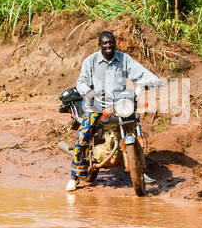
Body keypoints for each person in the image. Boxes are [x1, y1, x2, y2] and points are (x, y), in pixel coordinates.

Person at [67, 30, 162, 191]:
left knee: (135, 128)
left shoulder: (124, 59)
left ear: (115, 44)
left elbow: (141, 72)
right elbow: (81, 81)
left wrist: (156, 81)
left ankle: (139, 169)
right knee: (83, 134)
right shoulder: (90, 62)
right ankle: (74, 176)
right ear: (100, 45)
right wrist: (89, 93)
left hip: (120, 104)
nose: (108, 45)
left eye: (111, 42)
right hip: (96, 104)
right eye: (105, 43)